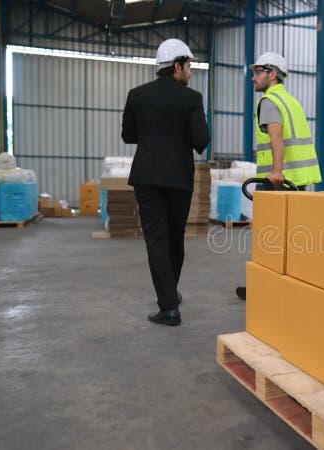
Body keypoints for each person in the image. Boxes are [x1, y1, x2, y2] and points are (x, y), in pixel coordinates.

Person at [121, 38, 210, 325]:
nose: (191, 72)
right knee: (174, 238)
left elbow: (128, 135)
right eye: (189, 66)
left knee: (156, 240)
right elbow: (201, 142)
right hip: (179, 178)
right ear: (177, 66)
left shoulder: (137, 95)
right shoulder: (192, 99)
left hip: (147, 177)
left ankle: (169, 303)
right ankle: (170, 298)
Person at [235, 52, 322, 301]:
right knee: (291, 237)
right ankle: (288, 286)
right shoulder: (291, 101)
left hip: (279, 182)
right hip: (298, 179)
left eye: (258, 72)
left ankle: (265, 288)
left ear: (272, 74)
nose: (253, 78)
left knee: (269, 238)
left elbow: (276, 137)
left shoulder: (269, 101)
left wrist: (275, 171)